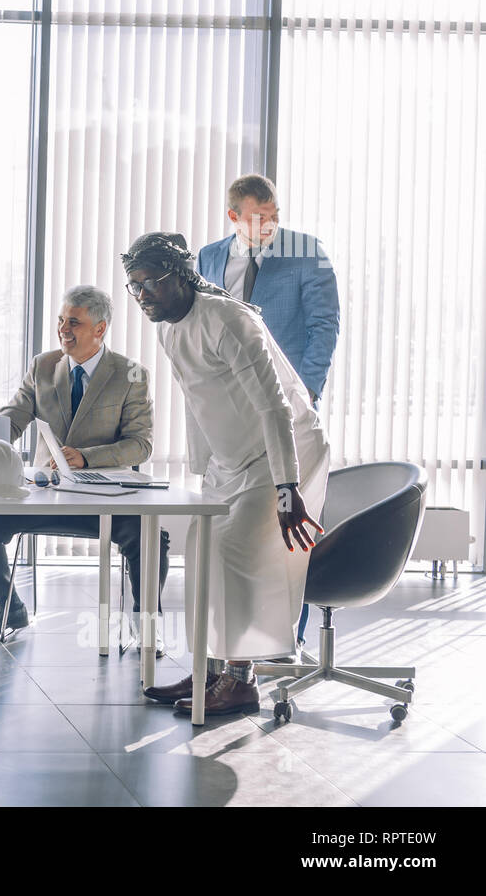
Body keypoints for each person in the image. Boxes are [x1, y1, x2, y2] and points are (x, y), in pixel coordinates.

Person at [123, 232, 328, 716]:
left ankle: (241, 681)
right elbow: (199, 402)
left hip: (283, 452)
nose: (143, 294)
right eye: (135, 286)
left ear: (182, 276)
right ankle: (209, 671)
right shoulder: (168, 326)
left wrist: (286, 488)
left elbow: (273, 406)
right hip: (230, 461)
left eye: (151, 282)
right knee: (201, 546)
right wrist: (205, 473)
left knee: (234, 551)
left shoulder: (230, 320)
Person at [0, 285, 168, 644]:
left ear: (100, 329)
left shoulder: (131, 374)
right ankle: (8, 607)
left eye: (74, 322)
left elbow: (140, 445)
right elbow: (12, 418)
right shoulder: (43, 365)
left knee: (151, 538)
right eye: (60, 320)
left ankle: (146, 623)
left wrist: (87, 457)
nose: (63, 329)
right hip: (43, 493)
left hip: (104, 501)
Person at [198, 174, 340, 649]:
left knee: (285, 531)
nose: (269, 225)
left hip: (287, 412)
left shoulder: (307, 251)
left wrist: (309, 392)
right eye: (257, 219)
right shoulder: (209, 257)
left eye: (274, 215)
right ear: (233, 217)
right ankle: (231, 650)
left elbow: (324, 326)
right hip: (235, 416)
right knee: (233, 532)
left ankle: (284, 646)